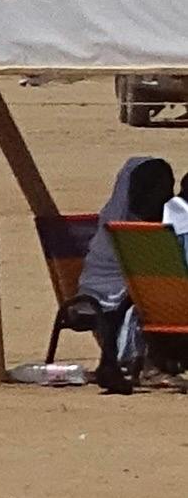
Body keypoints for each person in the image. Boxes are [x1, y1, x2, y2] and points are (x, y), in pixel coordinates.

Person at [72, 156, 168, 394]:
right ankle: (152, 365)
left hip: (100, 295)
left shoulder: (111, 218)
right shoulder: (140, 232)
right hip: (118, 299)